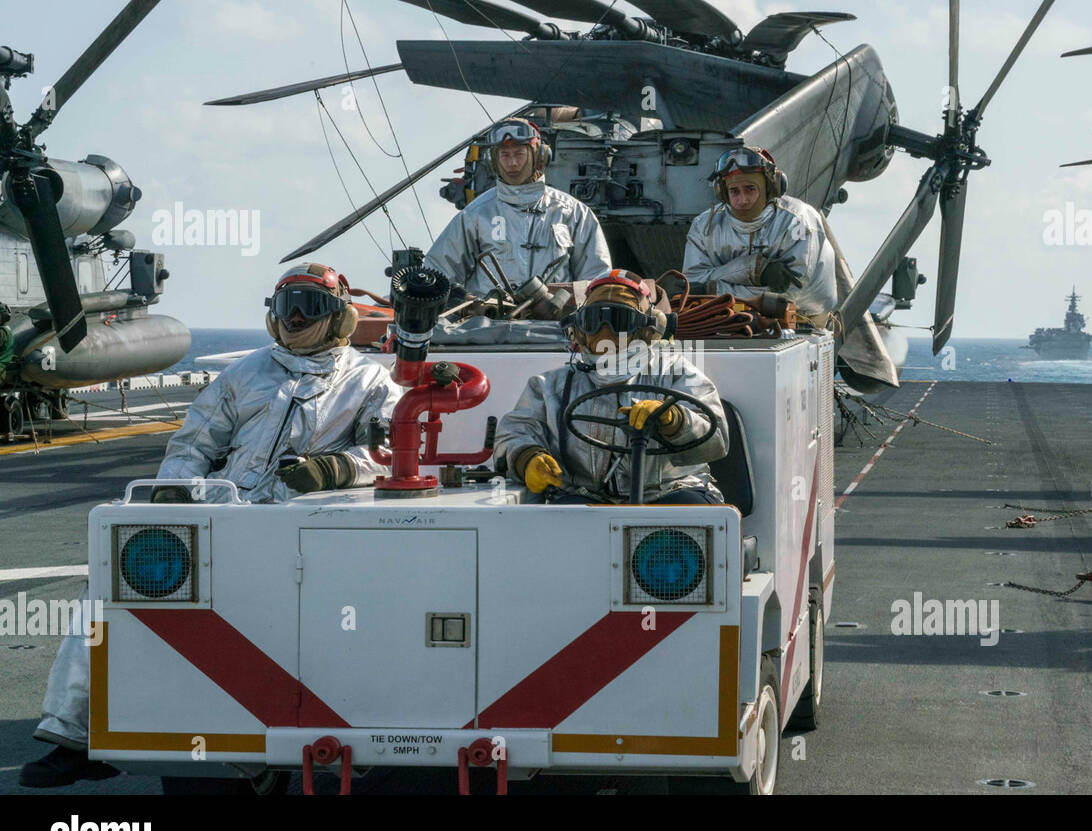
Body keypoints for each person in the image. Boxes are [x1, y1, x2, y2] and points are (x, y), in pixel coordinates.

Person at [18, 263, 401, 787]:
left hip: (303, 528)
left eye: (308, 307)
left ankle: (261, 750)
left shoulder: (369, 380)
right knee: (110, 582)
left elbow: (395, 451)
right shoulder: (244, 374)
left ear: (337, 317)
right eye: (284, 306)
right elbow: (193, 445)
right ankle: (75, 734)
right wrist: (174, 496)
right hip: (223, 514)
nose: (293, 318)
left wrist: (337, 467)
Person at [494, 271, 729, 504]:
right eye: (593, 320)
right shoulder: (549, 387)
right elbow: (515, 432)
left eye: (619, 321)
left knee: (687, 514)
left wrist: (674, 420)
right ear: (578, 329)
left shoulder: (676, 373)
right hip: (584, 498)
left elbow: (716, 439)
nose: (604, 332)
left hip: (669, 491)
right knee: (565, 519)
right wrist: (526, 458)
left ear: (647, 329)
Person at [424, 117, 611, 295]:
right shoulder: (475, 215)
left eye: (519, 154)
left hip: (556, 326)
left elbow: (597, 282)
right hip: (489, 327)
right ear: (493, 160)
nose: (512, 163)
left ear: (539, 156)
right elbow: (438, 273)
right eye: (504, 155)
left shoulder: (574, 214)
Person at [682, 146, 839, 323]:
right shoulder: (704, 226)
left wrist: (713, 289)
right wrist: (754, 269)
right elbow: (691, 282)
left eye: (750, 189)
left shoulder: (799, 221)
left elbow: (793, 291)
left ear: (769, 187)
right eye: (735, 191)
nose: (742, 200)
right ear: (723, 191)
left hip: (802, 322)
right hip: (724, 320)